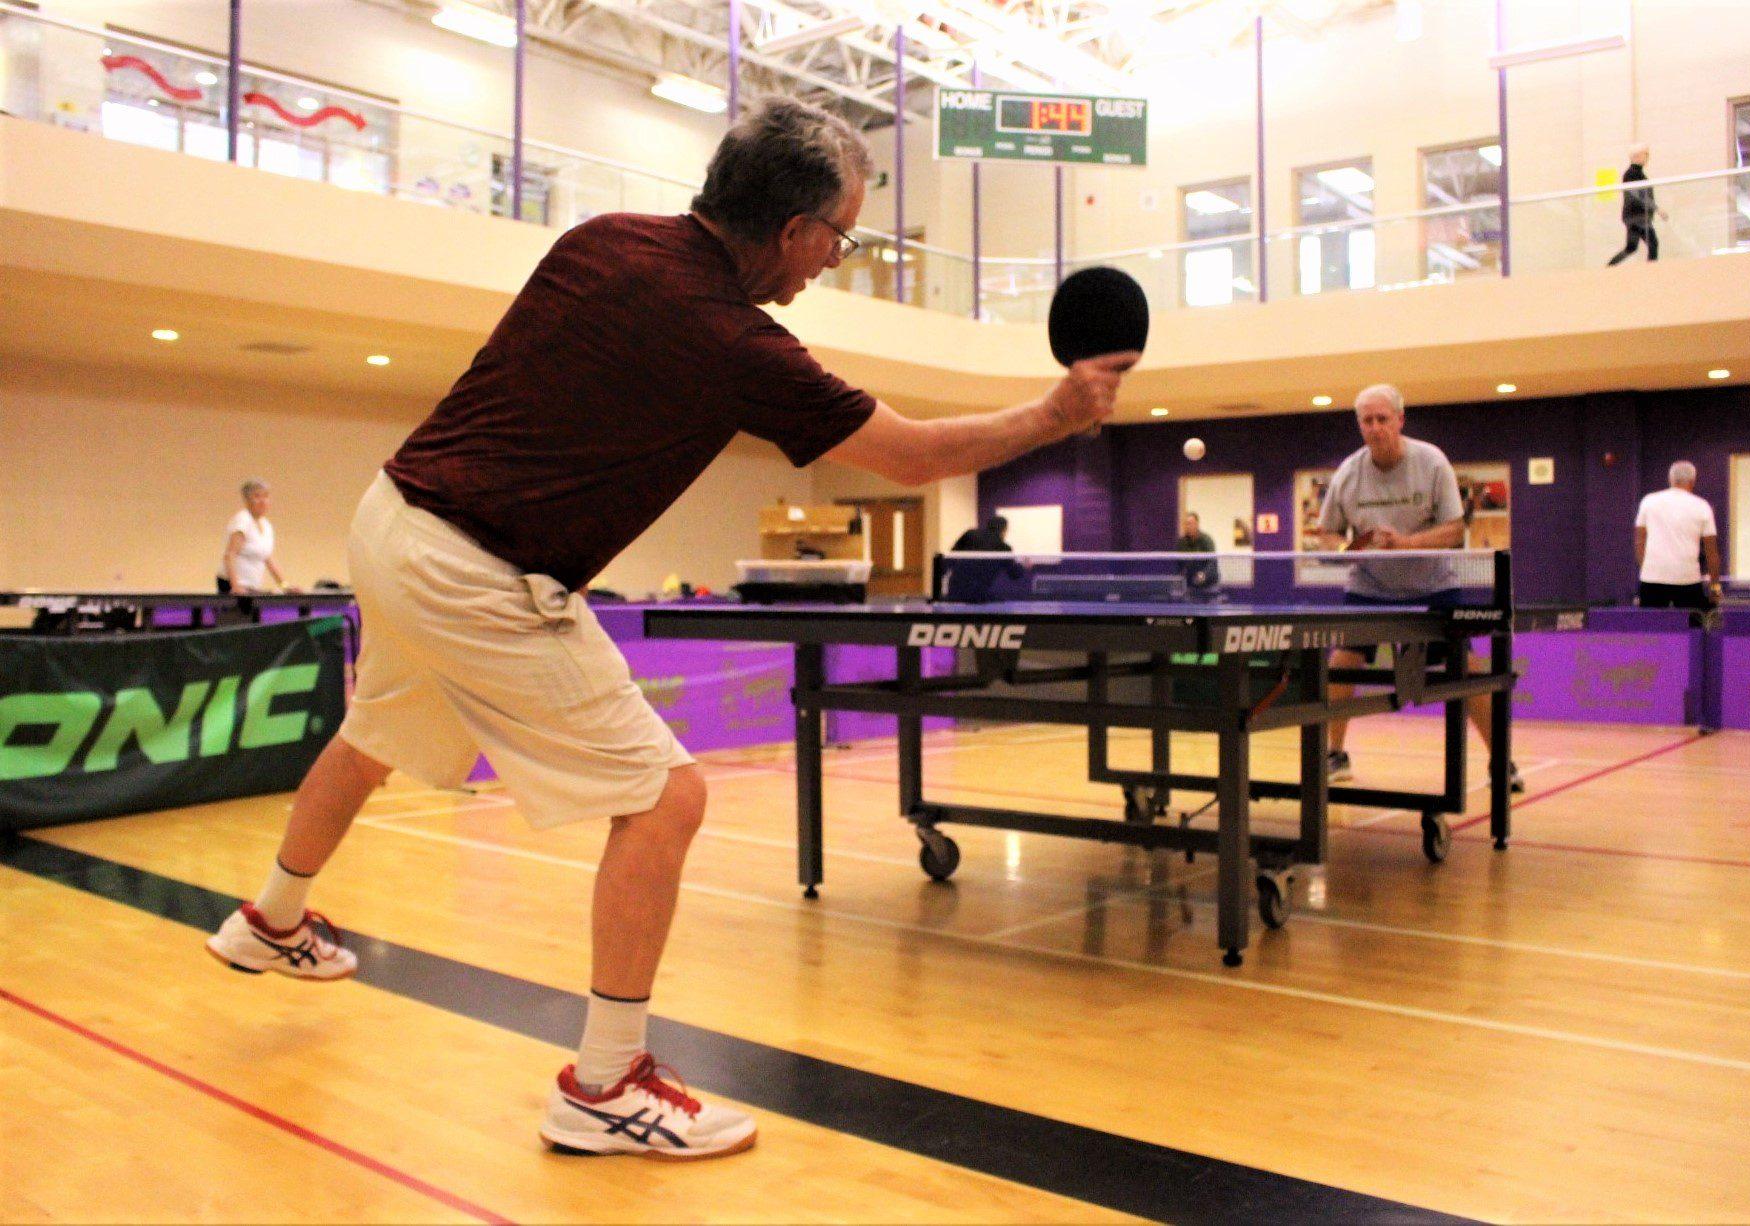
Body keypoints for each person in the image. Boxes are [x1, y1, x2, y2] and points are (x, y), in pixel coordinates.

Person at [203, 96, 1134, 1162]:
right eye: (841, 236)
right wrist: (1054, 416)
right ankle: (604, 1080)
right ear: (792, 230)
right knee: (663, 795)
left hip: (391, 519)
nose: (836, 259)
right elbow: (913, 455)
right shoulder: (735, 340)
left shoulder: (601, 239)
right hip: (475, 569)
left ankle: (271, 917)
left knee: (373, 735)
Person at [1311, 384, 1521, 790]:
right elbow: (1325, 535)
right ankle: (1334, 753)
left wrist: (1405, 545)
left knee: (1467, 667)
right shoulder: (1348, 474)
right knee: (1343, 660)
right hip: (1369, 588)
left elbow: (1454, 529)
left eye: (1382, 419)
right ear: (1360, 426)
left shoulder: (1431, 462)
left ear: (1400, 420)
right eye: (1367, 421)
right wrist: (1347, 549)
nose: (1375, 428)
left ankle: (1501, 760)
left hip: (1433, 586)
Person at [1635, 461, 1721, 610]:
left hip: (1652, 578)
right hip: (1687, 579)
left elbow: (1639, 541)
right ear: (1693, 481)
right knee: (1694, 629)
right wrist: (1715, 587)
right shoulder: (1702, 506)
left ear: (1670, 479)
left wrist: (1647, 568)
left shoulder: (1648, 501)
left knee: (1652, 630)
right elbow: (1711, 552)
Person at [218, 479, 295, 596]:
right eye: (257, 496)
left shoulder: (266, 525)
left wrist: (285, 586)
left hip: (251, 586)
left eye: (266, 496)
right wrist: (235, 586)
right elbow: (230, 555)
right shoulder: (242, 520)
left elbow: (268, 559)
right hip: (233, 586)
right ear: (247, 500)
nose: (263, 501)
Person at [944, 515, 1026, 603]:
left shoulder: (970, 534)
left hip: (954, 590)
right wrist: (1024, 565)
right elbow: (1014, 574)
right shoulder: (1003, 548)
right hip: (978, 594)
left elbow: (951, 558)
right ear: (1004, 530)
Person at [1607, 144, 1666, 266]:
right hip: (1638, 217)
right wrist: (1657, 209)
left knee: (1631, 247)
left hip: (1634, 217)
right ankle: (1651, 271)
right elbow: (1639, 195)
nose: (1647, 158)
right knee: (1653, 243)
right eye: (1646, 155)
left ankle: (1609, 267)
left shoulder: (1635, 174)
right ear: (1638, 156)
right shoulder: (1632, 174)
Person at [1176, 511, 1220, 592]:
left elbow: (1212, 562)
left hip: (1209, 585)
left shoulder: (1207, 540)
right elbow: (1179, 563)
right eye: (1186, 524)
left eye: (1190, 523)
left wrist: (1204, 574)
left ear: (1197, 524)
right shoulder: (1182, 543)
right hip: (1191, 584)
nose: (1188, 526)